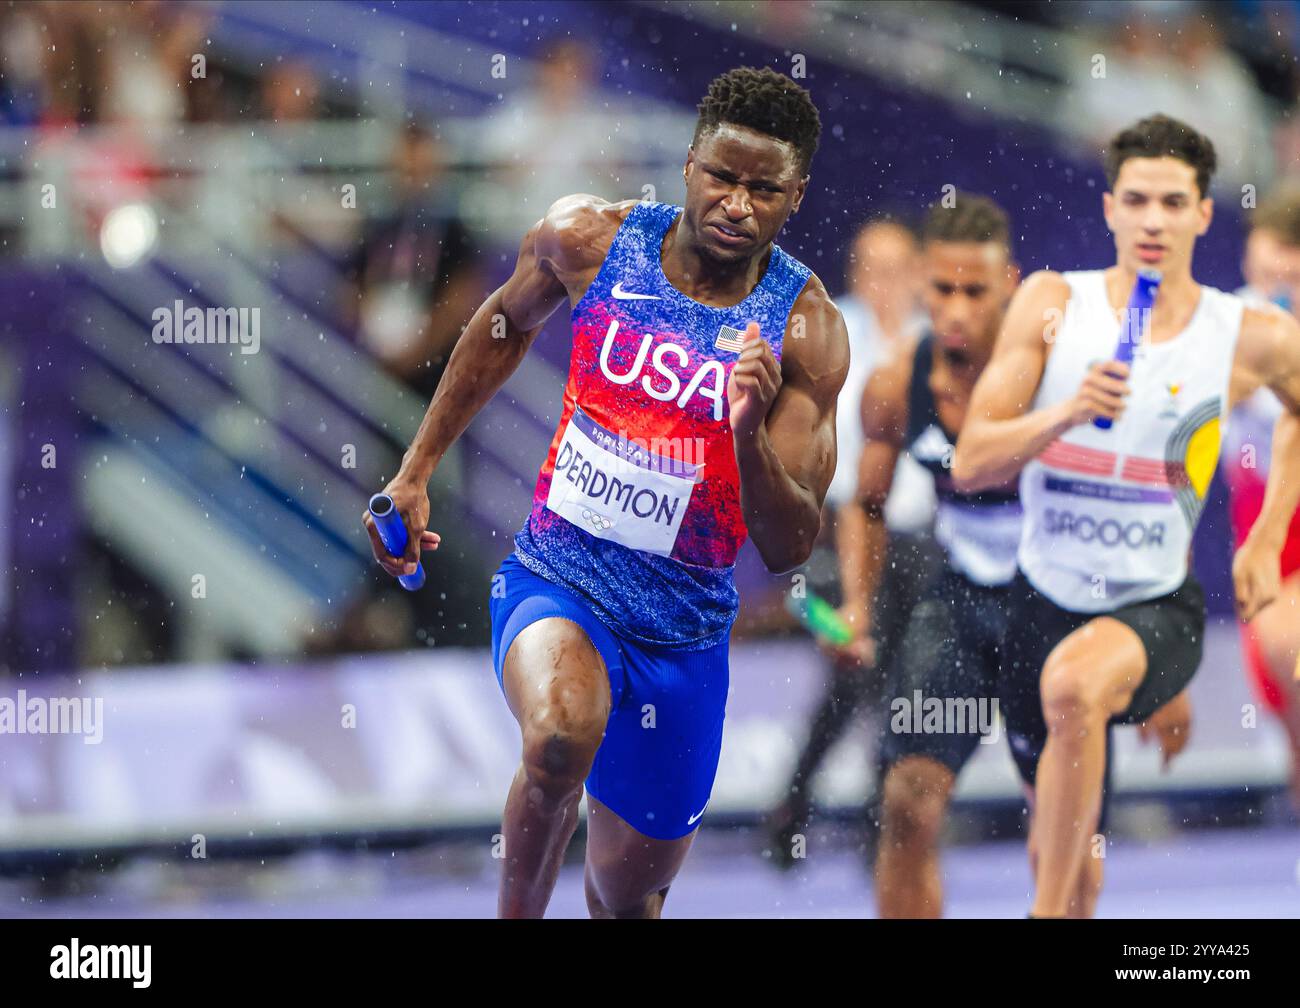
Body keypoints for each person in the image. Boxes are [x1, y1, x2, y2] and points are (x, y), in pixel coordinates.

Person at [364, 67, 847, 918]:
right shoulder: (586, 236)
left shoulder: (805, 332)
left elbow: (790, 542)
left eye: (763, 189)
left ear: (796, 196)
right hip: (559, 576)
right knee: (557, 739)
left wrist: (743, 432)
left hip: (682, 637)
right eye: (721, 177)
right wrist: (415, 470)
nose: (737, 202)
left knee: (626, 903)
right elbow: (501, 327)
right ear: (690, 160)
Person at [953, 113, 1300, 918]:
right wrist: (1065, 414)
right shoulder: (1050, 302)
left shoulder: (1247, 334)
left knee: (1074, 688)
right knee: (1071, 868)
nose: (1153, 220)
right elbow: (972, 460)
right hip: (1038, 603)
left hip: (1154, 604)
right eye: (1137, 199)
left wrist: (1270, 531)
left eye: (1174, 203)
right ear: (1108, 208)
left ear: (1205, 215)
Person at [764, 218, 938, 867]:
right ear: (857, 272)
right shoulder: (827, 337)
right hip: (839, 537)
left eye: (898, 268)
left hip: (921, 540)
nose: (885, 283)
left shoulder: (936, 342)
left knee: (892, 680)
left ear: (918, 273)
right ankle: (834, 814)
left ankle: (822, 813)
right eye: (872, 268)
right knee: (856, 665)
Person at [1227, 185, 1300, 806]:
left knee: (1289, 643)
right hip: (1267, 553)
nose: (1282, 282)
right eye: (1271, 264)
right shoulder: (1225, 326)